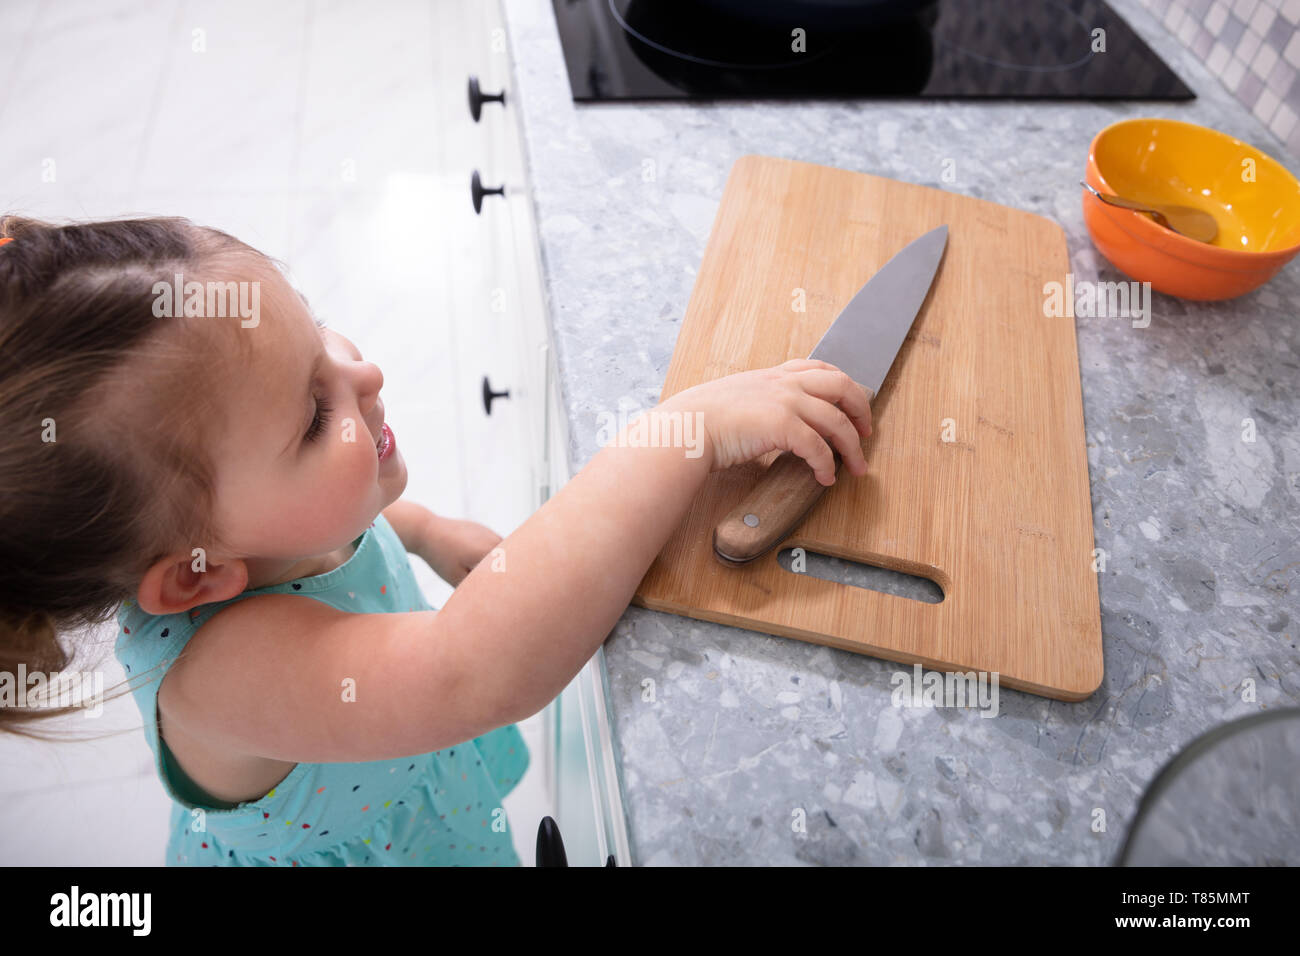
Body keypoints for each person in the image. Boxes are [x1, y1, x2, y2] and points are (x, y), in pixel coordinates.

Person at [0, 216, 872, 865]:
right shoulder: (222, 678)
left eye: (317, 333)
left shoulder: (258, 539)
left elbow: (347, 536)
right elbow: (473, 670)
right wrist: (681, 433)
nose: (365, 375)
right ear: (197, 581)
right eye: (313, 413)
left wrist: (424, 533)